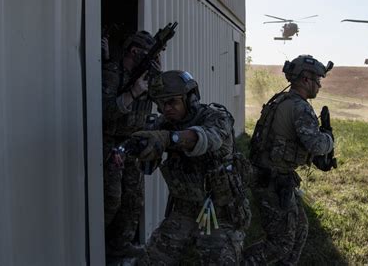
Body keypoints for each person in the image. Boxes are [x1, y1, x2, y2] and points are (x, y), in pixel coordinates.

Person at [129, 70, 250, 265]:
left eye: (171, 102)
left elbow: (205, 139)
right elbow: (147, 167)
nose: (166, 109)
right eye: (161, 104)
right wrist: (143, 149)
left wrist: (169, 139)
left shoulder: (217, 118)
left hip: (220, 213)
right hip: (183, 211)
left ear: (191, 98)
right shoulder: (165, 124)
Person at [244, 55, 336, 265]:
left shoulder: (281, 100)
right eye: (317, 81)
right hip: (272, 182)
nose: (319, 86)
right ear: (305, 80)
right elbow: (315, 144)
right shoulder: (300, 107)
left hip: (274, 178)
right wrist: (329, 138)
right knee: (280, 243)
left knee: (300, 230)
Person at [102, 30, 157, 258]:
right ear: (134, 52)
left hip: (132, 145)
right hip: (111, 146)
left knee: (134, 200)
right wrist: (133, 93)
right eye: (148, 56)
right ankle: (97, 245)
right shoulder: (113, 73)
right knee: (112, 199)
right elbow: (103, 112)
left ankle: (120, 245)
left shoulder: (145, 78)